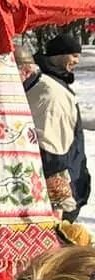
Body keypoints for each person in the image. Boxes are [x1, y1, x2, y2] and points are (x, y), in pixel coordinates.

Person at [28, 28, 93, 221]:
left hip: (66, 179)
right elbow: (51, 147)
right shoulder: (52, 91)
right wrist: (60, 199)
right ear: (59, 55)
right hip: (58, 190)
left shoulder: (51, 83)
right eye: (73, 55)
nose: (77, 60)